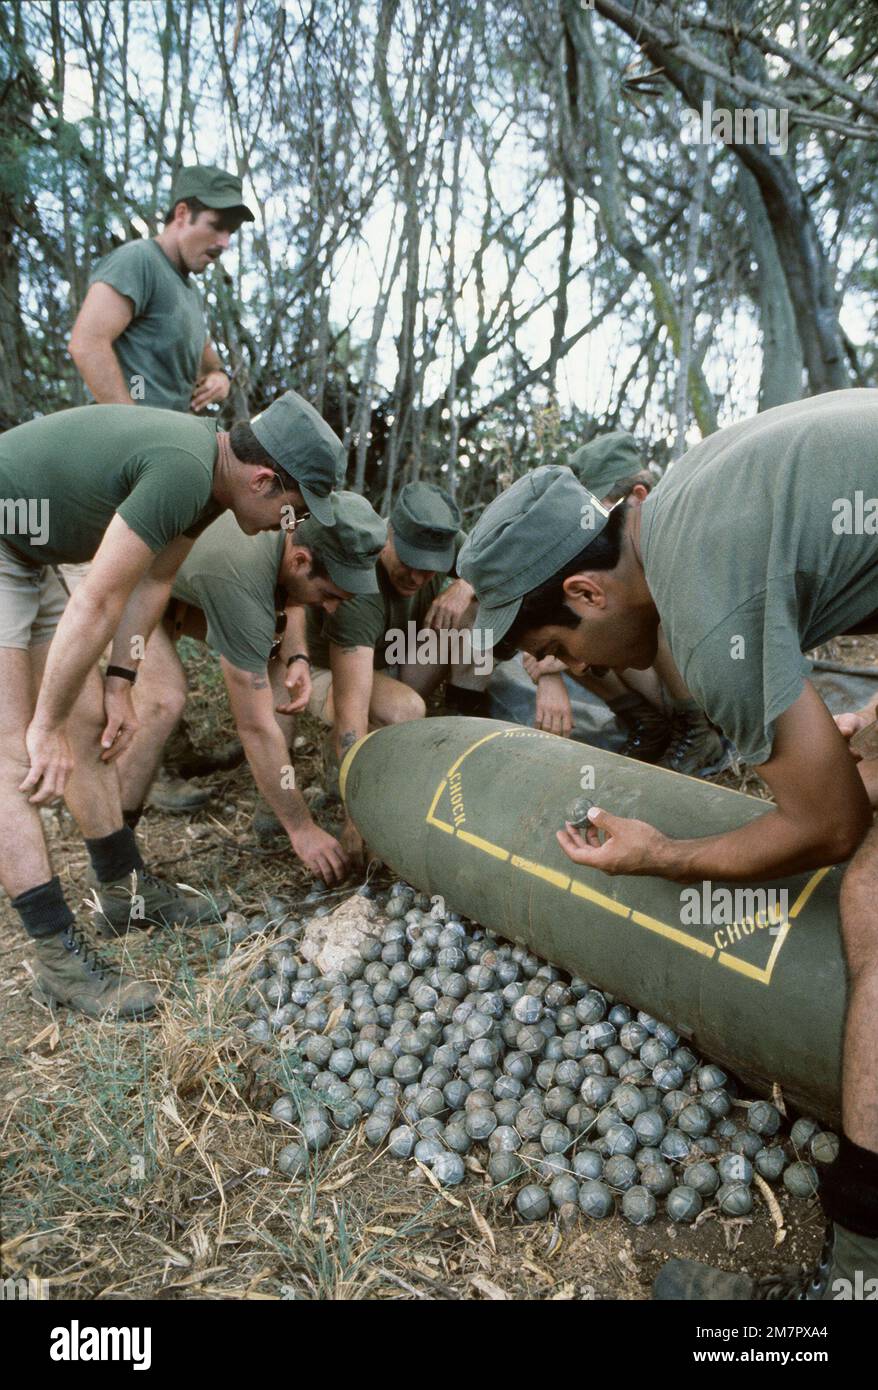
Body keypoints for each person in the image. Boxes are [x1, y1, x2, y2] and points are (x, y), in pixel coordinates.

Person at [458, 389, 878, 1301]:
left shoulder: (706, 609)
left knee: (872, 904)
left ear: (584, 589)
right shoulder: (684, 504)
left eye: (558, 648)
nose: (574, 670)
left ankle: (859, 1276)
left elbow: (830, 827)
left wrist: (666, 856)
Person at [0, 388, 338, 1021]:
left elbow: (153, 580)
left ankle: (124, 893)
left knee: (87, 724)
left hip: (27, 548)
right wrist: (40, 727)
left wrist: (122, 678)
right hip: (6, 540)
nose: (285, 527)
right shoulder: (184, 466)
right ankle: (56, 960)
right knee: (13, 751)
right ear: (264, 479)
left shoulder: (211, 477)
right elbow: (97, 601)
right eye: (290, 510)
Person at [115, 492, 386, 885]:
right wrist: (303, 829)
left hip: (178, 577)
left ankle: (274, 801)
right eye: (328, 596)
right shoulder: (240, 577)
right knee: (162, 698)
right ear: (300, 560)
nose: (329, 609)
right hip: (126, 575)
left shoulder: (301, 527)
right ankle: (115, 863)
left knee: (276, 663)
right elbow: (254, 726)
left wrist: (298, 658)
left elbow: (291, 595)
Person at [525, 431, 727, 774]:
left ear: (639, 496)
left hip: (716, 685)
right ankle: (648, 724)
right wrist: (551, 667)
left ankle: (698, 732)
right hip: (664, 686)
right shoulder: (608, 552)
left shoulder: (687, 527)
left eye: (601, 514)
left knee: (639, 606)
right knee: (589, 616)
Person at [306, 482, 484, 866]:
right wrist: (358, 814)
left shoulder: (446, 542)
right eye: (408, 561)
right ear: (388, 533)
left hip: (393, 652)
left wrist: (463, 586)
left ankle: (461, 736)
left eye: (430, 568)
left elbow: (491, 561)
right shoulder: (361, 577)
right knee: (404, 710)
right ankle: (346, 762)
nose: (417, 578)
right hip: (330, 667)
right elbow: (352, 711)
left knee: (475, 612)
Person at [69, 164, 253, 414]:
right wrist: (133, 428)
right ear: (182, 214)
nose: (224, 242)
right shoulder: (138, 261)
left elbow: (205, 357)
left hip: (174, 438)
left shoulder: (190, 291)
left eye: (231, 232)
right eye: (216, 225)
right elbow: (87, 343)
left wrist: (220, 377)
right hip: (131, 443)